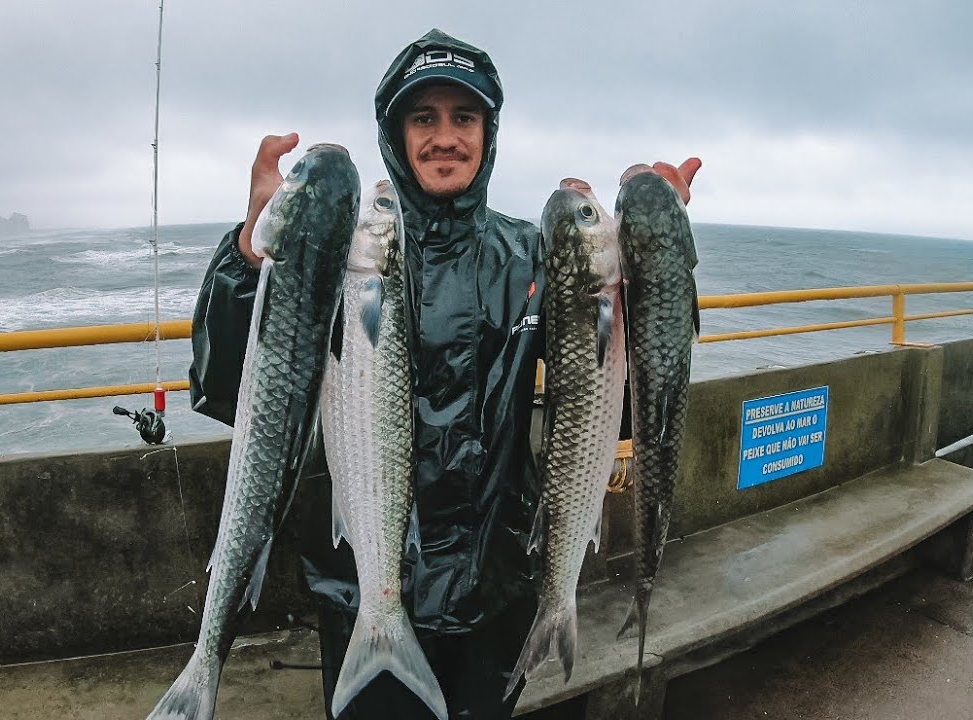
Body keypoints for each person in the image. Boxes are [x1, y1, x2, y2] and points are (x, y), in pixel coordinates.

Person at [188, 28, 700, 720]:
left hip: (496, 599)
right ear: (394, 134)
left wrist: (650, 266)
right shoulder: (344, 252)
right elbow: (230, 388)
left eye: (465, 118)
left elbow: (621, 405)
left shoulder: (534, 254)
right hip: (362, 592)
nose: (445, 137)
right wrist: (251, 258)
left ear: (489, 133)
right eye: (422, 118)